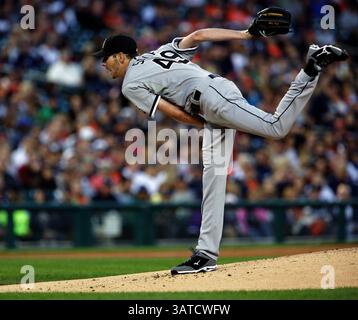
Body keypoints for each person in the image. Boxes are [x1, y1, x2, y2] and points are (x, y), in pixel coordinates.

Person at [93, 8, 348, 275]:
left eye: (106, 58)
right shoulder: (160, 52)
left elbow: (175, 113)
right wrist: (245, 34)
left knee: (276, 127)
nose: (103, 63)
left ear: (121, 56)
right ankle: (205, 254)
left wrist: (205, 123)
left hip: (211, 101)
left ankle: (311, 68)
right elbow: (199, 35)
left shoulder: (130, 82)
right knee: (213, 176)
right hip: (213, 96)